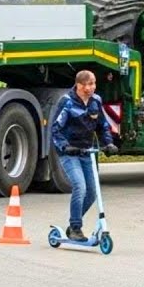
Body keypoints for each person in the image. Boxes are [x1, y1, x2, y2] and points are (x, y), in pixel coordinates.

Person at [49, 70, 118, 242]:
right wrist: (66, 146)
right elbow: (56, 129)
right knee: (79, 186)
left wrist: (108, 143)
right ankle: (76, 228)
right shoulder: (67, 102)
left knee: (92, 193)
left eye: (92, 84)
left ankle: (73, 223)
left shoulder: (96, 101)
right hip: (69, 152)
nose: (89, 88)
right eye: (85, 84)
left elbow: (102, 126)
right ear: (78, 85)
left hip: (87, 151)